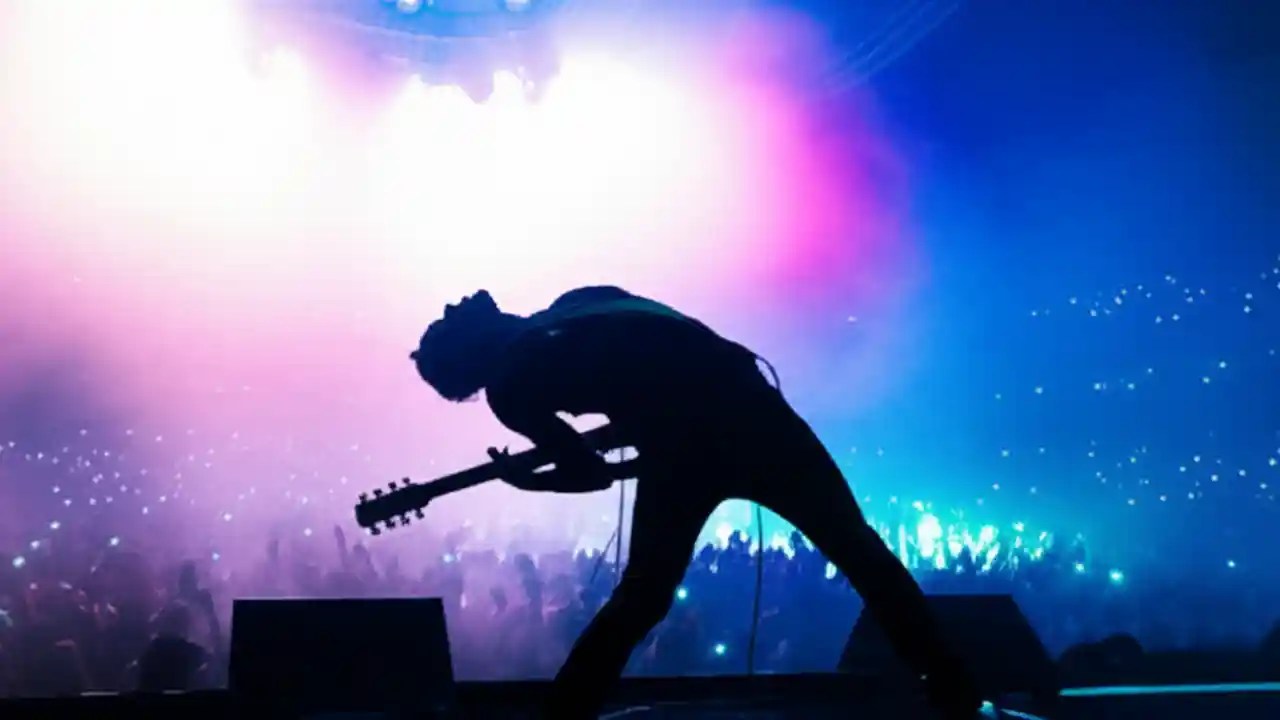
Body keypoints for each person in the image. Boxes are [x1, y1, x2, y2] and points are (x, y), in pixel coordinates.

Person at [411, 286, 983, 719]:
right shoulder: (579, 304)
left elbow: (592, 474)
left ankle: (565, 712)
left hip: (683, 454)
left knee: (640, 599)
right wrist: (637, 427)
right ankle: (955, 689)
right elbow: (666, 364)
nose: (453, 304)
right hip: (758, 420)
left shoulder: (514, 385)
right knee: (862, 555)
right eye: (448, 322)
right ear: (471, 349)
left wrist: (527, 478)